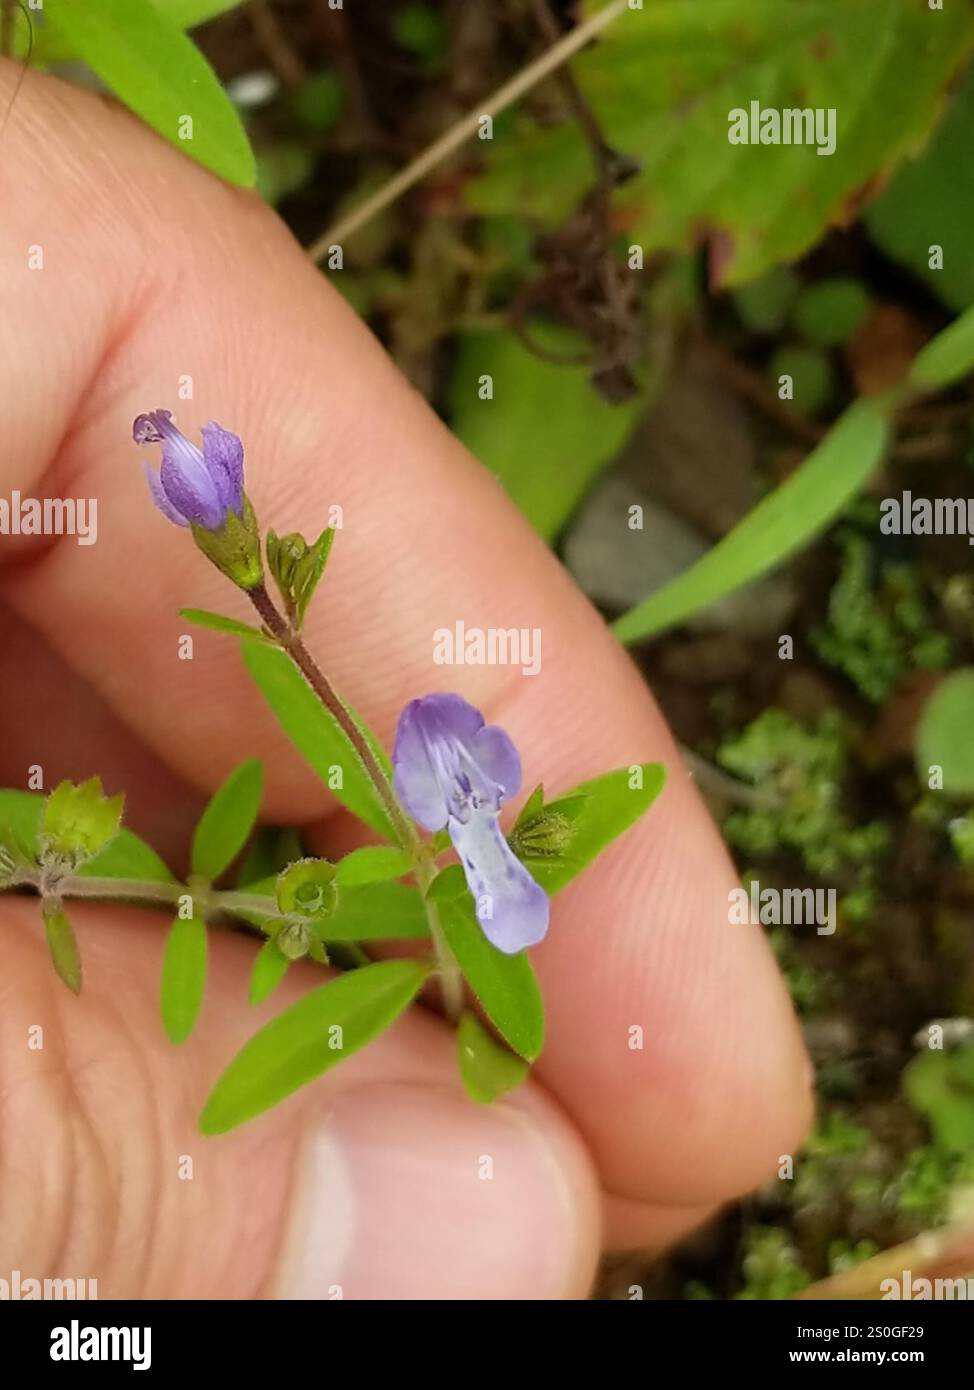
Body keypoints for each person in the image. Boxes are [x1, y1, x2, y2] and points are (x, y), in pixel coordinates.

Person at [0, 60, 811, 1299]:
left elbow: (474, 793)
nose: (463, 788)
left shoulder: (472, 814)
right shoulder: (417, 797)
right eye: (458, 782)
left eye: (470, 779)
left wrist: (468, 830)